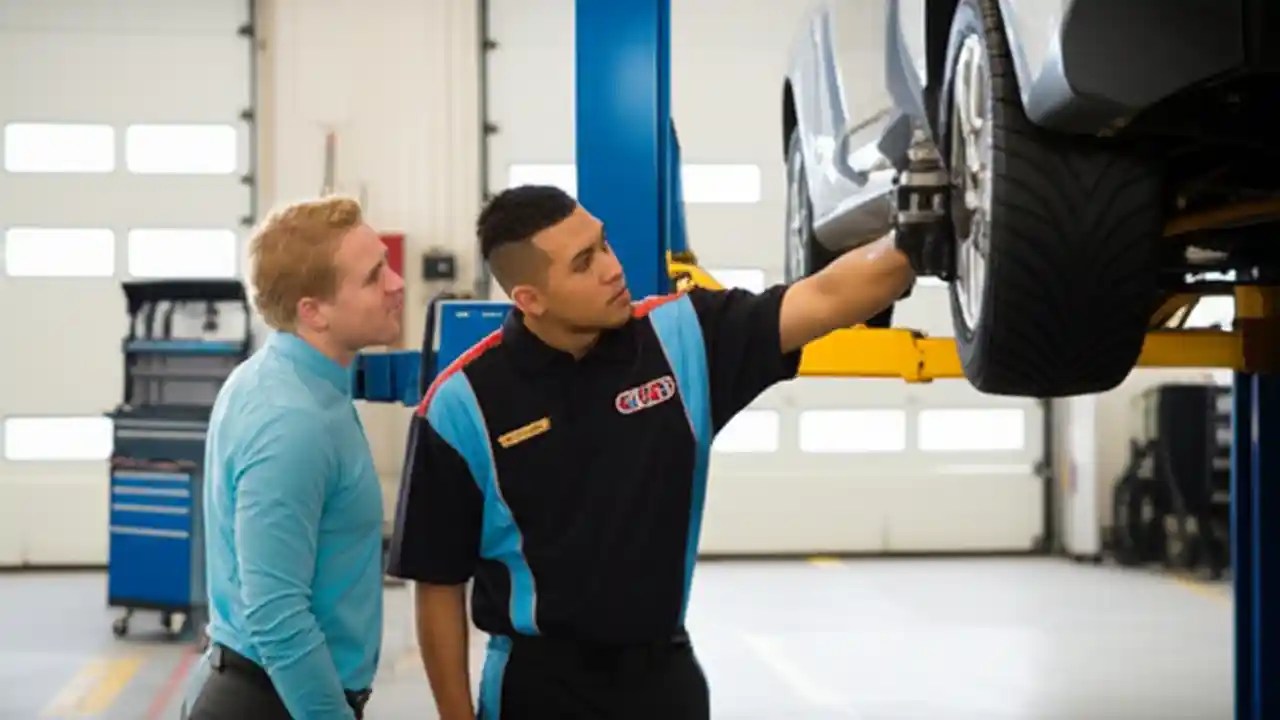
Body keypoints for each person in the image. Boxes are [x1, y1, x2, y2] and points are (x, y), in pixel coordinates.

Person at [385, 184, 915, 719]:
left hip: (664, 681)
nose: (613, 269)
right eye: (583, 263)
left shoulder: (683, 338)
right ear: (530, 300)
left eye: (604, 244)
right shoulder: (459, 407)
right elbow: (438, 584)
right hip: (539, 690)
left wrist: (923, 236)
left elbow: (826, 297)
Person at [183, 195, 405, 719]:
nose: (397, 283)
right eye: (374, 276)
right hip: (274, 702)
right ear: (314, 311)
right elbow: (276, 611)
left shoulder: (288, 378)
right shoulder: (292, 421)